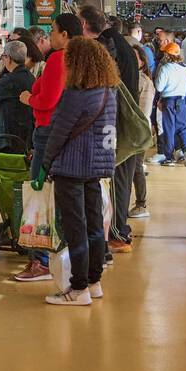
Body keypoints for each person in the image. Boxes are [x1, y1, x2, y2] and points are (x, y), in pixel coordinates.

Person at [34, 37, 119, 306]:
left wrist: (44, 166)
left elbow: (58, 134)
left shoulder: (75, 96)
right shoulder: (109, 92)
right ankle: (94, 281)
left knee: (75, 228)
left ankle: (78, 288)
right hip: (96, 167)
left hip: (71, 167)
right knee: (94, 225)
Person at [13, 12, 83, 283]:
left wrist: (29, 98)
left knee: (39, 195)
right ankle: (61, 252)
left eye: (53, 30)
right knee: (63, 196)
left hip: (47, 132)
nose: (50, 35)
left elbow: (48, 100)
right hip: (68, 133)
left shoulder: (57, 58)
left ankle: (40, 261)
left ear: (65, 34)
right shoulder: (81, 58)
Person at [80, 7, 138, 252]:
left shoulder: (108, 46)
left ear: (84, 24)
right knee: (119, 175)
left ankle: (117, 233)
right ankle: (117, 230)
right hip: (123, 120)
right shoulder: (120, 43)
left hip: (114, 122)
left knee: (113, 176)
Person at [0, 38, 34, 150]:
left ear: (8, 58)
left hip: (8, 139)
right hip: (25, 136)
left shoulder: (9, 81)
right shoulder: (30, 77)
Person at [154, 42, 186, 166]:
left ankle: (169, 157)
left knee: (169, 128)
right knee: (182, 128)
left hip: (168, 101)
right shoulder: (185, 68)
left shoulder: (166, 68)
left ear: (167, 54)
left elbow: (159, 87)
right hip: (182, 100)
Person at [128, 43, 154, 219]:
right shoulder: (129, 78)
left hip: (138, 132)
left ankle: (141, 203)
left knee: (136, 167)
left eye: (134, 57)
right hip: (131, 131)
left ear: (142, 62)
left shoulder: (143, 81)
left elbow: (144, 112)